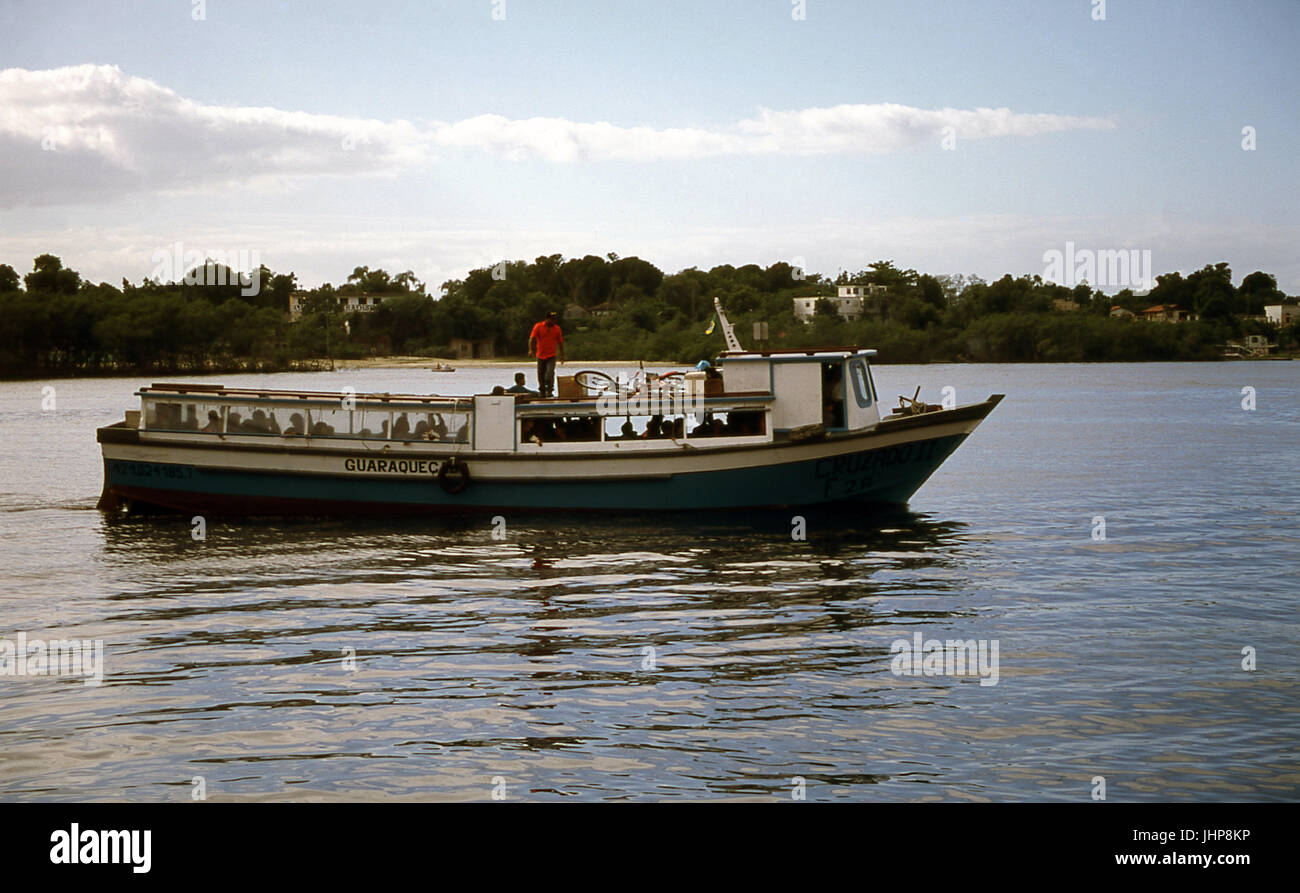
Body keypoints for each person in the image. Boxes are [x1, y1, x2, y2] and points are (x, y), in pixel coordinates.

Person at [528, 311, 564, 397]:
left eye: (554, 319)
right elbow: (532, 339)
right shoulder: (538, 326)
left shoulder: (557, 329)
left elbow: (560, 343)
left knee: (549, 373)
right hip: (540, 355)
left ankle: (550, 390)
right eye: (551, 319)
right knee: (541, 374)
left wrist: (562, 355)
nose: (553, 321)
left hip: (551, 355)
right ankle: (542, 391)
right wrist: (530, 350)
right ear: (547, 319)